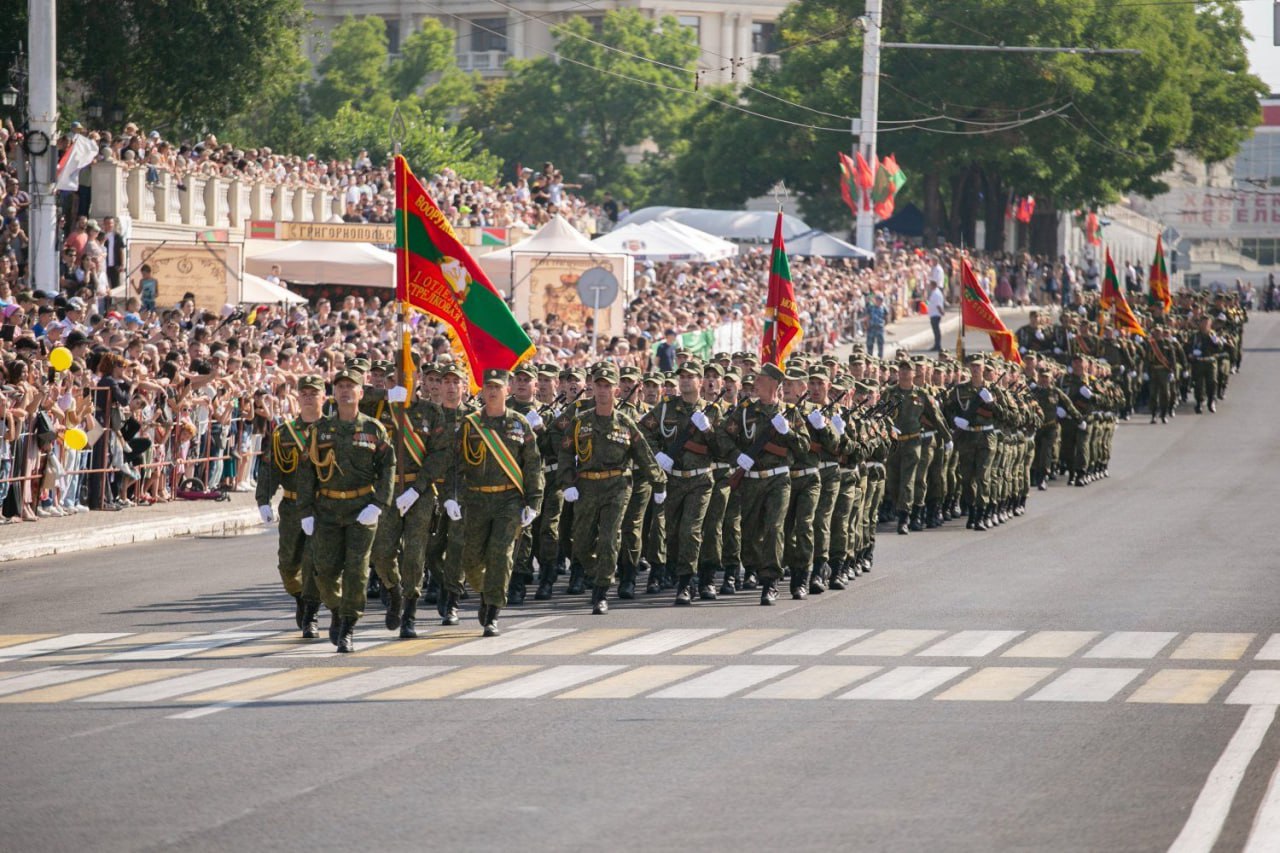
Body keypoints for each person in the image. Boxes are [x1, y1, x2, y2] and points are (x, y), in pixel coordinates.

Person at [297, 362, 394, 653]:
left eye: (350, 386)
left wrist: (379, 503)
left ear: (361, 393)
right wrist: (305, 511)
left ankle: (349, 626)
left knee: (357, 570)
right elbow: (306, 471)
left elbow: (388, 466)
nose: (344, 392)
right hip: (327, 509)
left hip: (361, 509)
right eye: (339, 387)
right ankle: (337, 609)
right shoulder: (321, 430)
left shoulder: (373, 429)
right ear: (333, 394)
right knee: (324, 572)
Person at [558, 364, 665, 615]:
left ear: (616, 390)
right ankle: (597, 572)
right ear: (592, 388)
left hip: (617, 485)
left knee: (609, 537)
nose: (603, 391)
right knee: (581, 541)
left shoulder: (625, 422)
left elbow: (644, 455)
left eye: (608, 386)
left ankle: (601, 591)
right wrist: (567, 482)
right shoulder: (579, 422)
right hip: (586, 485)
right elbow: (565, 453)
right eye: (599, 385)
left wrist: (658, 482)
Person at [454, 368, 543, 636]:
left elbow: (532, 464)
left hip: (508, 500)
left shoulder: (519, 424)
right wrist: (451, 496)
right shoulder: (470, 425)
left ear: (507, 390)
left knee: (500, 556)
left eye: (497, 387)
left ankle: (492, 608)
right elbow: (455, 464)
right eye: (488, 387)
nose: (492, 391)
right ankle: (485, 592)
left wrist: (533, 502)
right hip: (476, 499)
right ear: (482, 391)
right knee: (471, 560)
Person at [716, 362, 807, 605]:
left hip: (778, 478)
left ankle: (770, 582)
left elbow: (804, 447)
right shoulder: (745, 411)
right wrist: (737, 456)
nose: (755, 382)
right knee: (750, 532)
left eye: (760, 379)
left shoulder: (788, 413)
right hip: (751, 480)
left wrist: (787, 432)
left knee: (774, 528)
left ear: (773, 384)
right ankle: (754, 568)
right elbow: (722, 435)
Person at [256, 374, 325, 637]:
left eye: (313, 392)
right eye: (304, 392)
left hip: (321, 507)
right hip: (293, 505)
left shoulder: (332, 429)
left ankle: (311, 614)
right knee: (288, 565)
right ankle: (299, 598)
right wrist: (263, 499)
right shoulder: (284, 433)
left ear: (323, 397)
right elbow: (272, 468)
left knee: (312, 563)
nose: (308, 396)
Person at [864, 294, 887, 358]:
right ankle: (869, 357)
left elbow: (886, 317)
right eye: (878, 300)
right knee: (870, 344)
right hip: (871, 328)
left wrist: (884, 325)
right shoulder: (871, 308)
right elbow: (867, 317)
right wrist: (866, 325)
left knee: (880, 344)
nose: (879, 302)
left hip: (880, 328)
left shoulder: (884, 308)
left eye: (881, 300)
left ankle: (880, 357)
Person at [927, 279, 945, 351]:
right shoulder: (934, 292)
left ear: (933, 285)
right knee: (935, 331)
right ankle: (937, 344)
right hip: (933, 314)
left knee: (936, 331)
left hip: (935, 314)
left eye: (930, 285)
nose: (929, 286)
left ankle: (938, 345)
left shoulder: (936, 293)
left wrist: (941, 312)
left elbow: (938, 305)